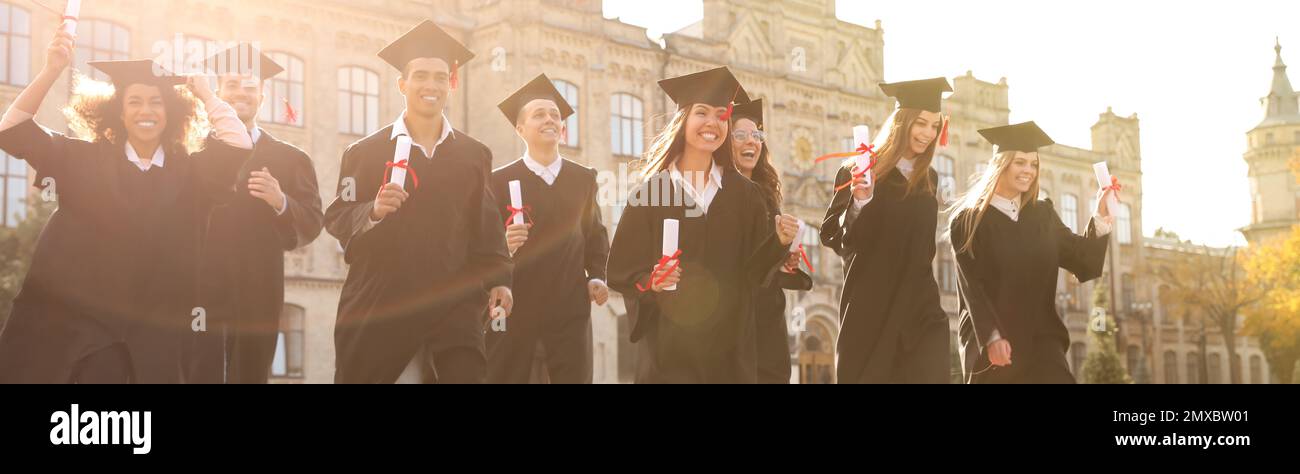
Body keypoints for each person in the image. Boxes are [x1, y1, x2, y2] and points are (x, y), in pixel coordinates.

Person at [0, 25, 251, 383]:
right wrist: (52, 69)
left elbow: (237, 145)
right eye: (134, 101)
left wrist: (208, 95)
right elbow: (11, 130)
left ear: (170, 112)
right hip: (85, 328)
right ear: (119, 112)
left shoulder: (191, 173)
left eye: (155, 101)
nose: (145, 110)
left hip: (157, 332)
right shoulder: (82, 161)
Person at [324, 20, 513, 384]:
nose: (431, 85)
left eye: (441, 77)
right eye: (421, 76)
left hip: (454, 300)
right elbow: (338, 215)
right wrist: (373, 210)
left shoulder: (474, 156)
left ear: (451, 84)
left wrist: (500, 280)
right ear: (402, 84)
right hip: (383, 301)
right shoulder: (364, 153)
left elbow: (487, 228)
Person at [606, 67, 796, 383]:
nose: (712, 123)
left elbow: (755, 274)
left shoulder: (744, 194)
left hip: (729, 352)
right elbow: (621, 271)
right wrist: (652, 281)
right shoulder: (653, 192)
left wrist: (777, 241)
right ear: (683, 121)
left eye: (722, 115)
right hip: (670, 352)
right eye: (702, 113)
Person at [191, 43, 324, 384]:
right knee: (196, 373)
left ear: (263, 95)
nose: (241, 93)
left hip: (258, 289)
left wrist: (281, 201)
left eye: (250, 87)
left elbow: (311, 223)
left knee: (250, 375)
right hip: (199, 287)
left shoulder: (291, 159)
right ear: (218, 91)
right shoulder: (193, 153)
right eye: (232, 85)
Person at [948, 121, 1115, 384]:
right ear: (1001, 165)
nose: (1029, 170)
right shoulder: (968, 222)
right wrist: (992, 336)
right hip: (996, 345)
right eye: (1020, 163)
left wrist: (1101, 217)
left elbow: (1083, 261)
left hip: (1042, 341)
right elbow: (972, 288)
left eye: (1033, 164)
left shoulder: (1042, 214)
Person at [819, 78, 952, 383]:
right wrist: (860, 202)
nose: (928, 133)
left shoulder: (928, 178)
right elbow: (833, 236)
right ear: (901, 122)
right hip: (872, 305)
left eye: (934, 125)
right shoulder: (861, 169)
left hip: (921, 307)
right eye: (921, 123)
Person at [486, 74, 609, 384]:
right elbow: (482, 244)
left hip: (569, 308)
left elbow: (595, 235)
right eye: (538, 114)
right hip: (515, 308)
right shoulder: (498, 182)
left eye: (555, 115)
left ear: (563, 129)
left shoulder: (583, 179)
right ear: (520, 128)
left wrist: (596, 276)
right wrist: (505, 244)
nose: (549, 119)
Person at [729, 99, 811, 384]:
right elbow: (739, 264)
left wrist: (784, 261)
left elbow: (764, 264)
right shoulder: (719, 194)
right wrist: (776, 244)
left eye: (757, 135)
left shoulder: (767, 194)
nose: (751, 141)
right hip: (735, 318)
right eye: (740, 135)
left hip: (768, 319)